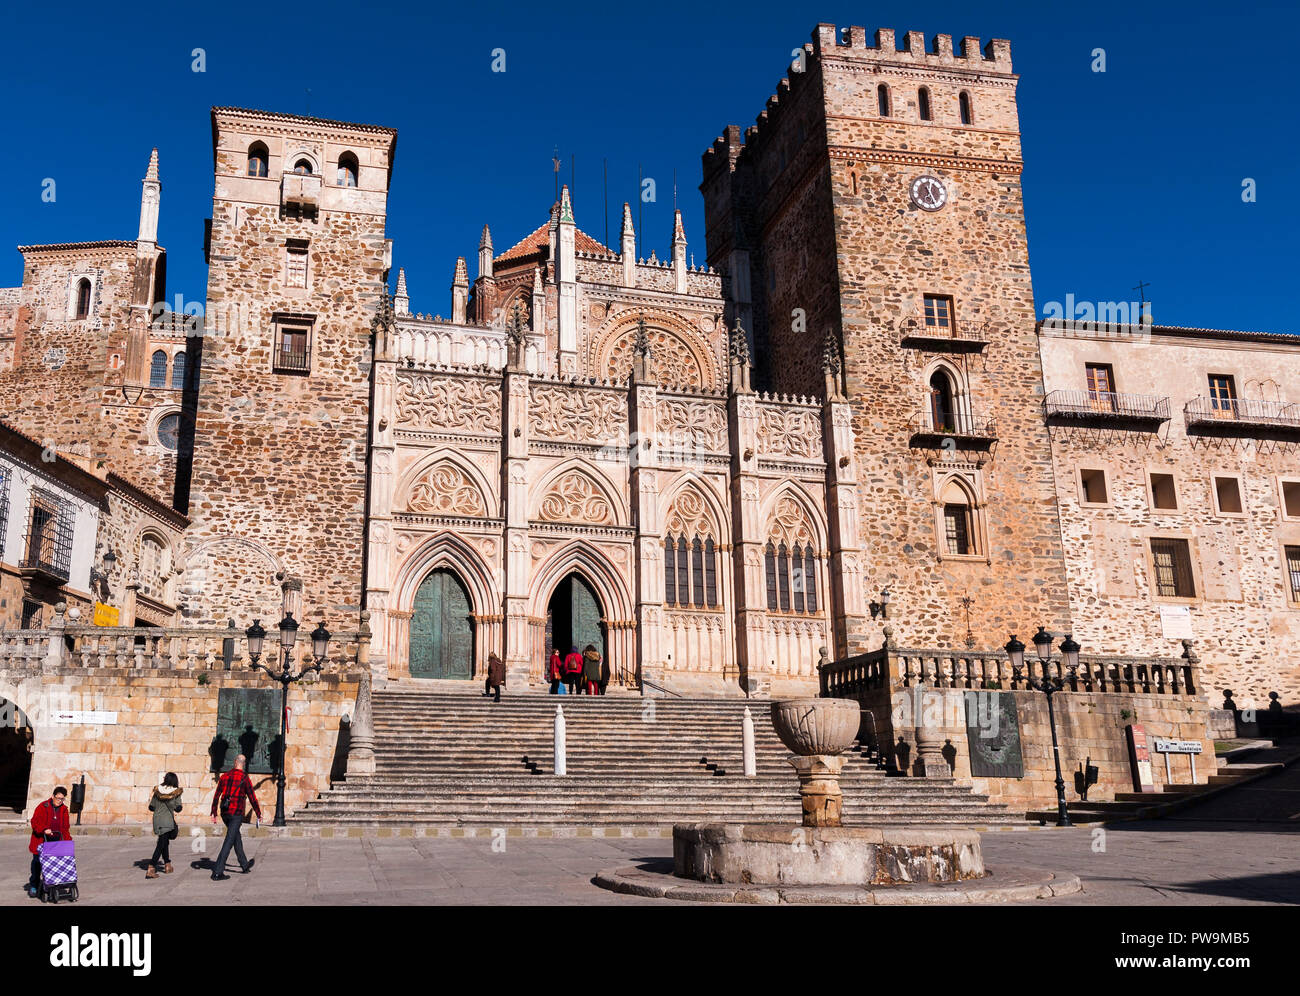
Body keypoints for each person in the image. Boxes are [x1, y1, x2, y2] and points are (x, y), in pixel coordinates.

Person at [209, 754, 261, 881]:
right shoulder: (244, 778)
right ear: (243, 764)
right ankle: (218, 871)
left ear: (234, 762)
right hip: (236, 814)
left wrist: (214, 812)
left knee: (236, 837)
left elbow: (217, 795)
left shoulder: (225, 776)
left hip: (225, 812)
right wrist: (258, 813)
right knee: (229, 840)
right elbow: (252, 798)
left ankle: (244, 865)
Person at [27, 786, 71, 897]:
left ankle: (50, 885)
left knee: (53, 866)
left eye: (62, 799)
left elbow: (65, 828)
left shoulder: (64, 809)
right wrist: (44, 829)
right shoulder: (43, 806)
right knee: (37, 864)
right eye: (58, 798)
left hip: (56, 842)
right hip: (41, 841)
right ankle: (34, 885)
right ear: (53, 796)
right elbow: (35, 822)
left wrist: (68, 842)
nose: (59, 801)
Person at [145, 772, 183, 879]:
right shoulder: (176, 792)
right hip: (167, 821)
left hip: (157, 820)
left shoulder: (157, 791)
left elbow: (151, 807)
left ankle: (167, 865)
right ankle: (151, 867)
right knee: (161, 844)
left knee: (164, 842)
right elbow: (178, 808)